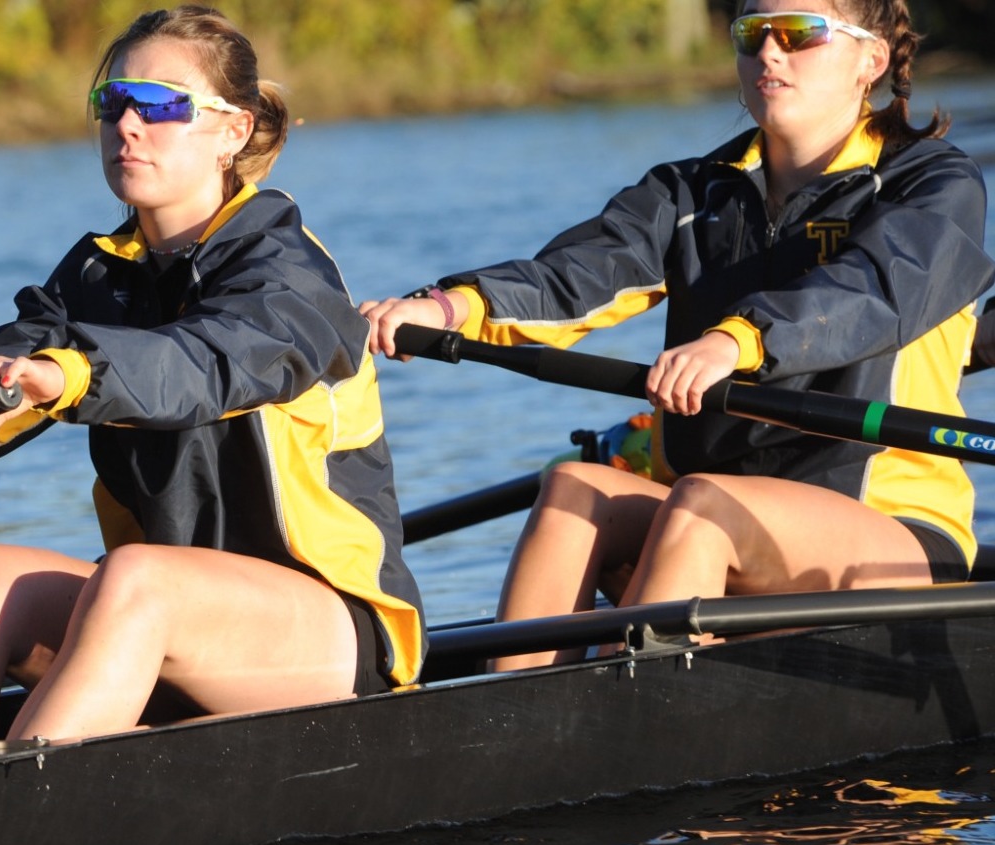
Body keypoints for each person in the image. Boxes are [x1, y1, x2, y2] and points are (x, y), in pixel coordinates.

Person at [0, 6, 424, 744]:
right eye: (112, 102)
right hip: (162, 617)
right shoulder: (98, 275)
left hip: (333, 637)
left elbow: (201, 364)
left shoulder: (292, 278)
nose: (128, 125)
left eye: (162, 104)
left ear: (232, 132)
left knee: (137, 577)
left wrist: (70, 374)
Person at [363, 0, 994, 671]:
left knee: (701, 505)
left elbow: (873, 288)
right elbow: (571, 277)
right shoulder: (689, 195)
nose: (769, 54)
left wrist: (736, 340)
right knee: (574, 489)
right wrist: (452, 307)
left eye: (799, 34)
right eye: (752, 35)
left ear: (871, 59)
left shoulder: (931, 185)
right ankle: (502, 721)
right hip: (708, 510)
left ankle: (605, 727)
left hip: (886, 524)